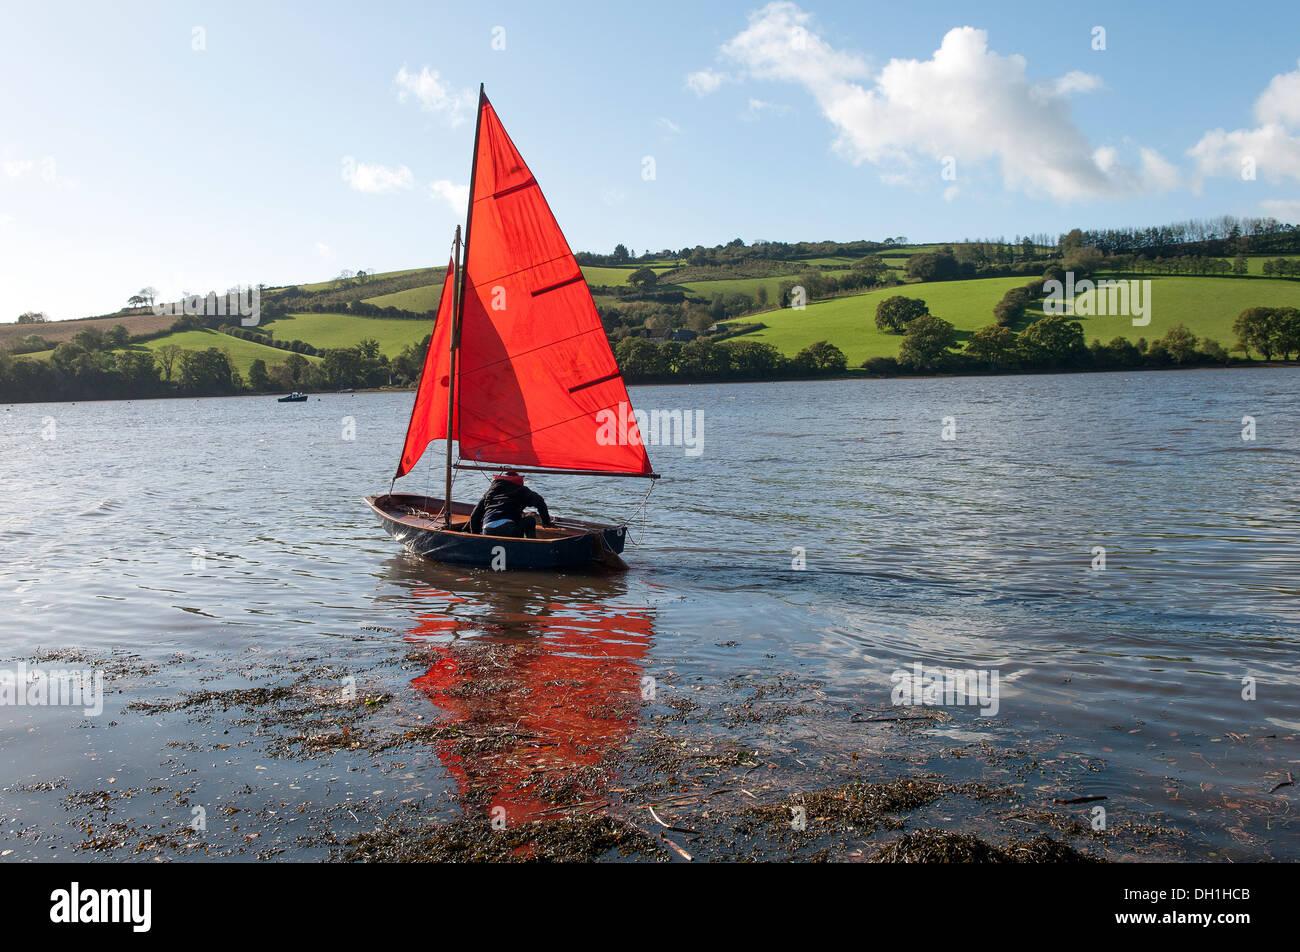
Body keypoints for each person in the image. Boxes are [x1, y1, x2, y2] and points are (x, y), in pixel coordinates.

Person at [467, 471, 553, 538]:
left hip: (487, 529)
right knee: (530, 520)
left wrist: (476, 536)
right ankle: (531, 547)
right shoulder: (521, 490)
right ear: (518, 480)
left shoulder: (490, 492)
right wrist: (546, 522)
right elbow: (540, 501)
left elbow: (475, 516)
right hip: (508, 529)